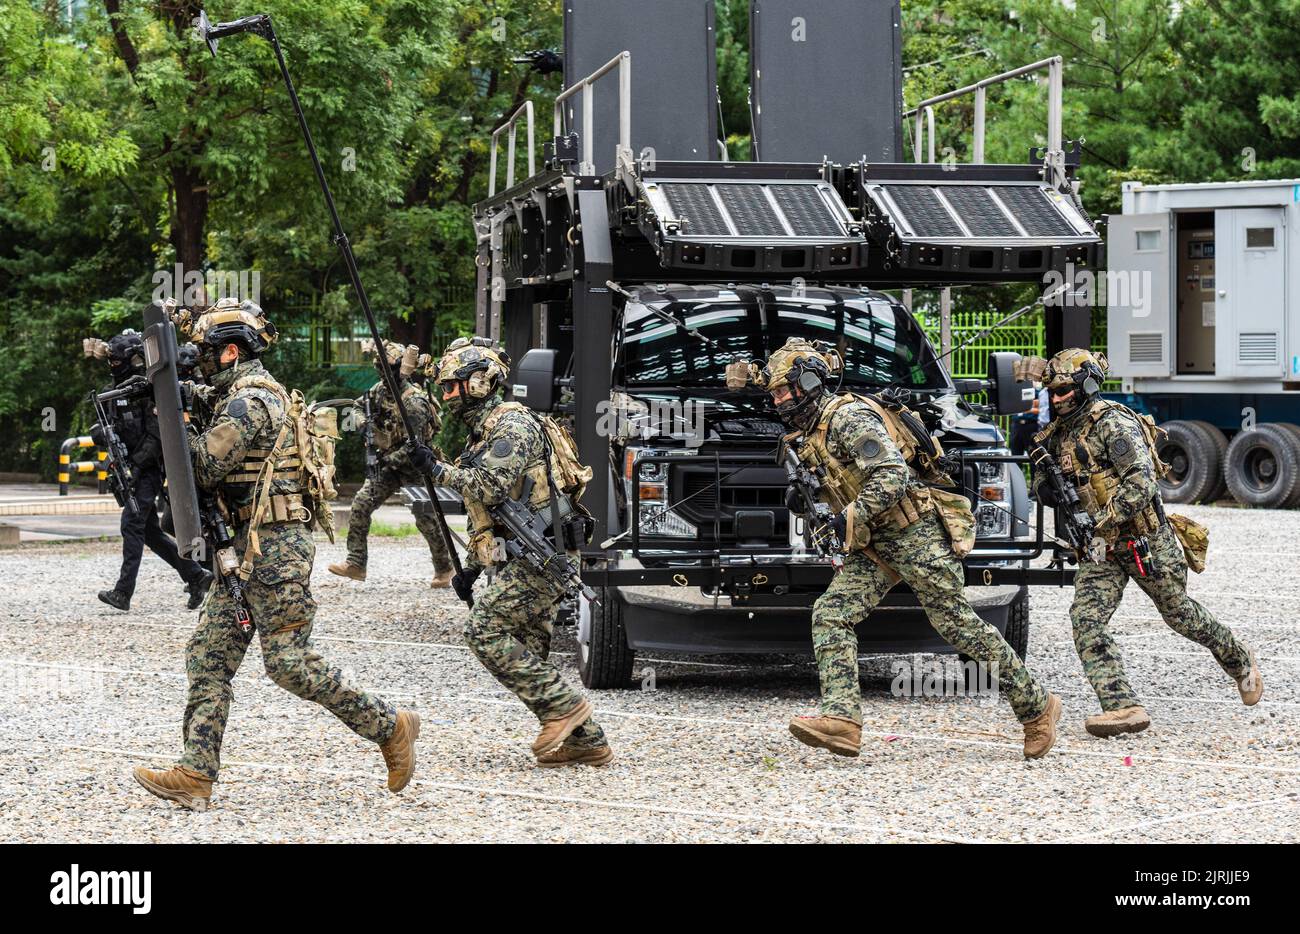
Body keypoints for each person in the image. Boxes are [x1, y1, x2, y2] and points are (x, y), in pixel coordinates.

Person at [132, 299, 418, 811]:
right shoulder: (238, 395)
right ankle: (196, 774)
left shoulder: (252, 401)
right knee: (208, 657)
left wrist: (168, 422)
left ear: (232, 353)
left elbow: (202, 466)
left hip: (274, 549)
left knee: (288, 662)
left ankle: (391, 726)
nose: (200, 361)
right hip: (244, 548)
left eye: (207, 353)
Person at [753, 337, 1062, 759]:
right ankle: (842, 720)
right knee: (831, 613)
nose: (778, 400)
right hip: (875, 544)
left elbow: (892, 477)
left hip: (916, 533)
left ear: (808, 382)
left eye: (784, 390)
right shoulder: (808, 434)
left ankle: (1038, 707)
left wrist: (847, 517)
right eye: (773, 393)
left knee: (957, 625)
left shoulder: (848, 418)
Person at [1032, 348, 1262, 736]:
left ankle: (1240, 662)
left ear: (1086, 386)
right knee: (1086, 619)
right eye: (1052, 392)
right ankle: (1122, 706)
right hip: (1099, 547)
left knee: (1180, 616)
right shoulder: (1058, 434)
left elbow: (1141, 482)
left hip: (1143, 539)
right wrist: (1046, 486)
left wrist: (1105, 522)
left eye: (1063, 391)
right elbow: (1050, 485)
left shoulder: (1113, 424)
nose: (1056, 399)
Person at [412, 336, 613, 767]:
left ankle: (564, 708)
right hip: (519, 555)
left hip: (541, 558)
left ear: (481, 383)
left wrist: (436, 469)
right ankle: (587, 740)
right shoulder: (482, 433)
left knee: (482, 631)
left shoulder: (512, 426)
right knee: (527, 650)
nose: (446, 395)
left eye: (453, 386)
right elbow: (487, 508)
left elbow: (488, 485)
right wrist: (470, 566)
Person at [88, 330, 211, 612]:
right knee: (150, 532)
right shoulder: (116, 391)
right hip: (129, 468)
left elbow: (158, 435)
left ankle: (123, 592)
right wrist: (101, 434)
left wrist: (137, 465)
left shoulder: (147, 389)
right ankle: (196, 576)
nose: (114, 366)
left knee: (131, 524)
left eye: (118, 361)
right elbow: (112, 428)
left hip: (147, 470)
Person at [329, 340, 454, 587]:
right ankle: (356, 563)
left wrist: (386, 459)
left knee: (426, 520)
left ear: (400, 370)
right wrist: (363, 422)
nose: (383, 375)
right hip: (388, 465)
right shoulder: (380, 391)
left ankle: (444, 569)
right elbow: (355, 407)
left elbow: (415, 448)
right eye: (380, 370)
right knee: (361, 505)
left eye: (388, 370)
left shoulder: (414, 402)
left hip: (415, 467)